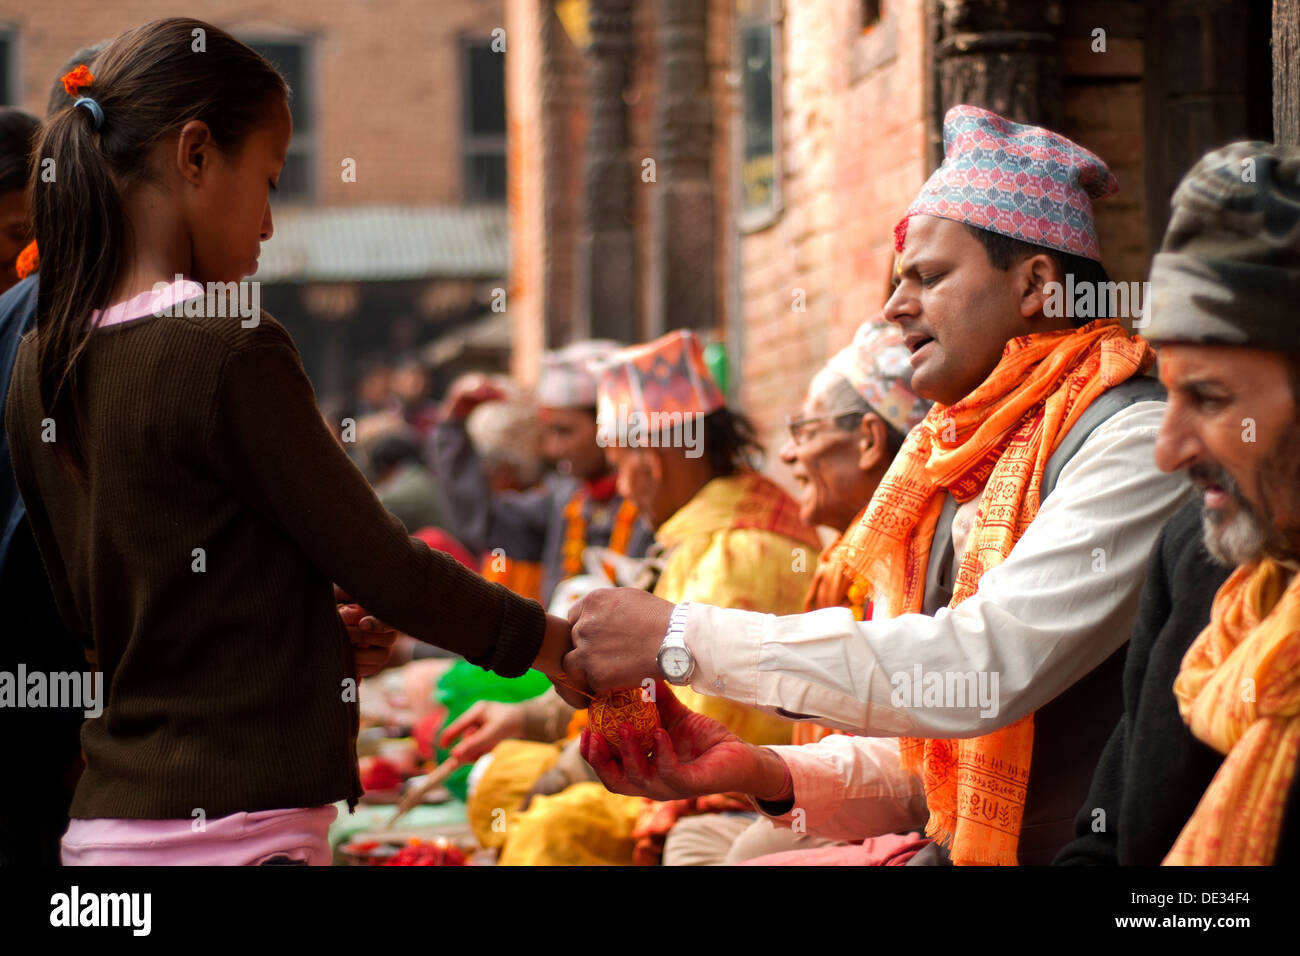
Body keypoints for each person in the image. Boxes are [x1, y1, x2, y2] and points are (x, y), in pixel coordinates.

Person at [3, 18, 571, 866]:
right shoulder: (227, 344)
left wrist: (303, 637)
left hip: (105, 835)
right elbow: (388, 567)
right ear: (195, 156)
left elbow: (119, 618)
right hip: (241, 834)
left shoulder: (40, 362)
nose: (270, 223)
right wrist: (558, 647)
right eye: (267, 180)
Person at [566, 105, 1194, 865]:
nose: (893, 309)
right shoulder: (951, 462)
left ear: (1035, 285)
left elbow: (977, 669)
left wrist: (679, 636)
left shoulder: (1130, 442)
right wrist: (766, 771)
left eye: (926, 277)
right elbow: (928, 764)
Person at [475, 329, 823, 865]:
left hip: (726, 786)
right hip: (682, 756)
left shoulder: (733, 552)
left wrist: (562, 773)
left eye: (618, 468)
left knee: (551, 830)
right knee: (500, 782)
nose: (625, 490)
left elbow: (685, 730)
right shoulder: (710, 528)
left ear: (652, 460)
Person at [1059, 142, 1300, 865]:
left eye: (1211, 398)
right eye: (1170, 392)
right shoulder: (1196, 562)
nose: (1168, 451)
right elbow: (1101, 848)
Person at [664, 315, 932, 865]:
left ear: (867, 440)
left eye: (804, 432)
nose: (788, 456)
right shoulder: (848, 559)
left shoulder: (923, 553)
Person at [434, 340, 654, 607]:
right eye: (549, 432)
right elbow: (485, 520)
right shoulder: (564, 499)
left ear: (612, 426)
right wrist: (452, 429)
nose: (552, 449)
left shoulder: (657, 505)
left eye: (564, 432)